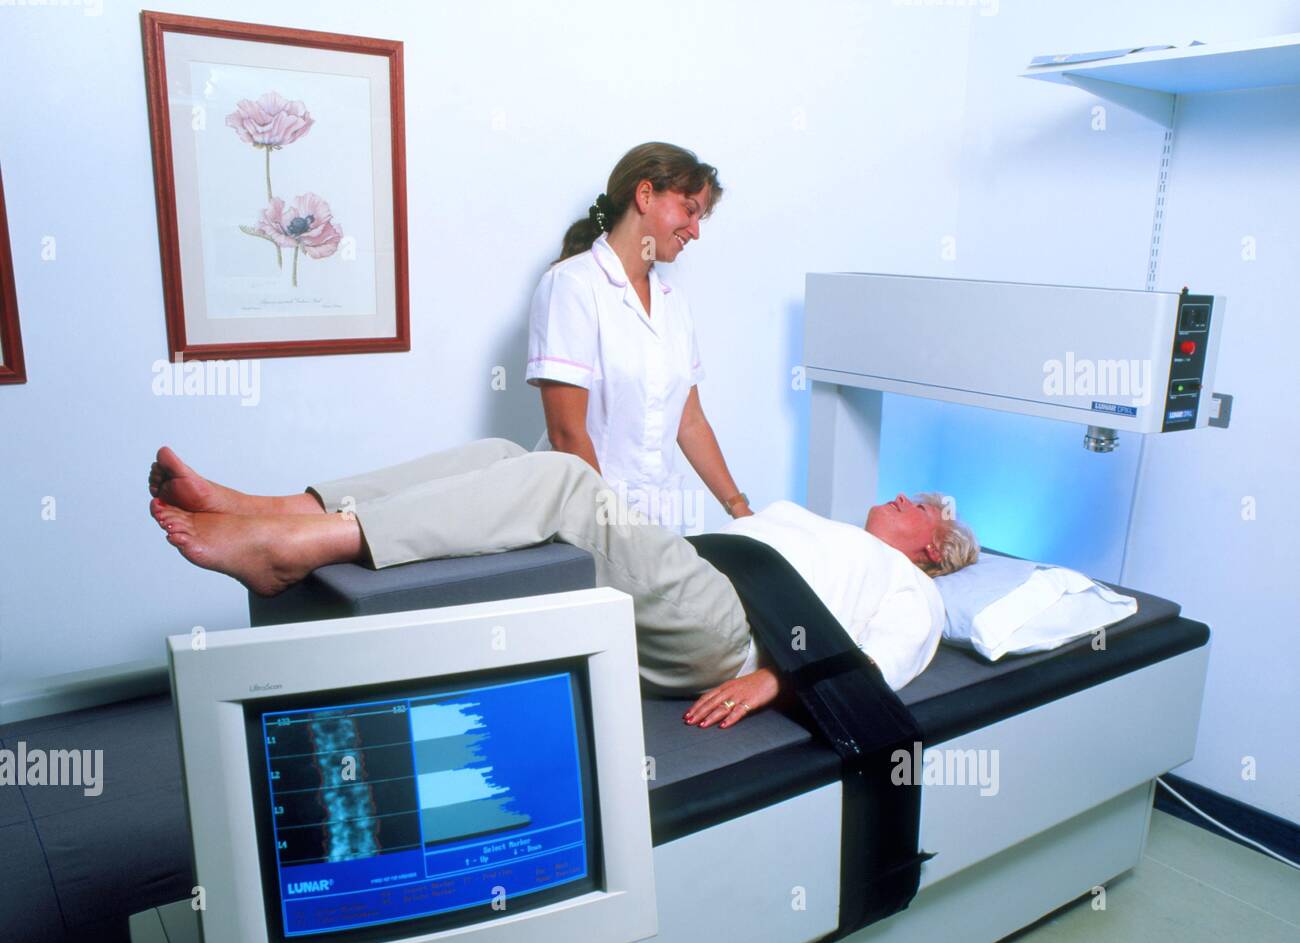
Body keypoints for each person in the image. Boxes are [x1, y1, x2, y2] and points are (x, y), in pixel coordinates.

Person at [147, 440, 979, 728]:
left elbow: (884, 665)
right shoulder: (822, 526)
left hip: (730, 628)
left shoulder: (916, 591)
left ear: (934, 549)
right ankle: (277, 509)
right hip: (700, 581)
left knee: (567, 483)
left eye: (920, 505)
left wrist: (775, 677)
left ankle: (295, 548)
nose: (903, 497)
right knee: (508, 458)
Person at [527, 142, 751, 534]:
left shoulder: (673, 304)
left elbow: (691, 421)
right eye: (689, 210)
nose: (696, 231)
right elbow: (567, 433)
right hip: (590, 526)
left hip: (660, 528)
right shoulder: (572, 286)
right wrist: (617, 531)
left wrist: (741, 511)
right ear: (645, 195)